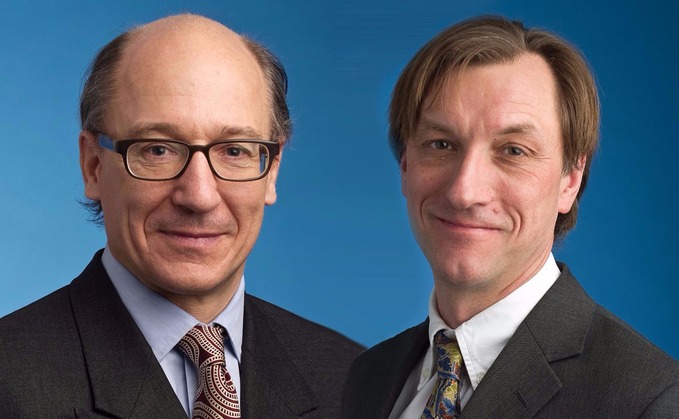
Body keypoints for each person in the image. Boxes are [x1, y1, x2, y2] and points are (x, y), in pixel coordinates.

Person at [0, 13, 363, 418]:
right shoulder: (9, 382)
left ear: (272, 170)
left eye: (234, 150)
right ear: (93, 166)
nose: (200, 196)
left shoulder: (354, 380)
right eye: (158, 149)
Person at [343, 15, 678, 418]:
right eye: (441, 144)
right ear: (404, 165)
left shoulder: (650, 401)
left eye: (513, 151)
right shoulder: (367, 376)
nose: (465, 191)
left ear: (570, 180)